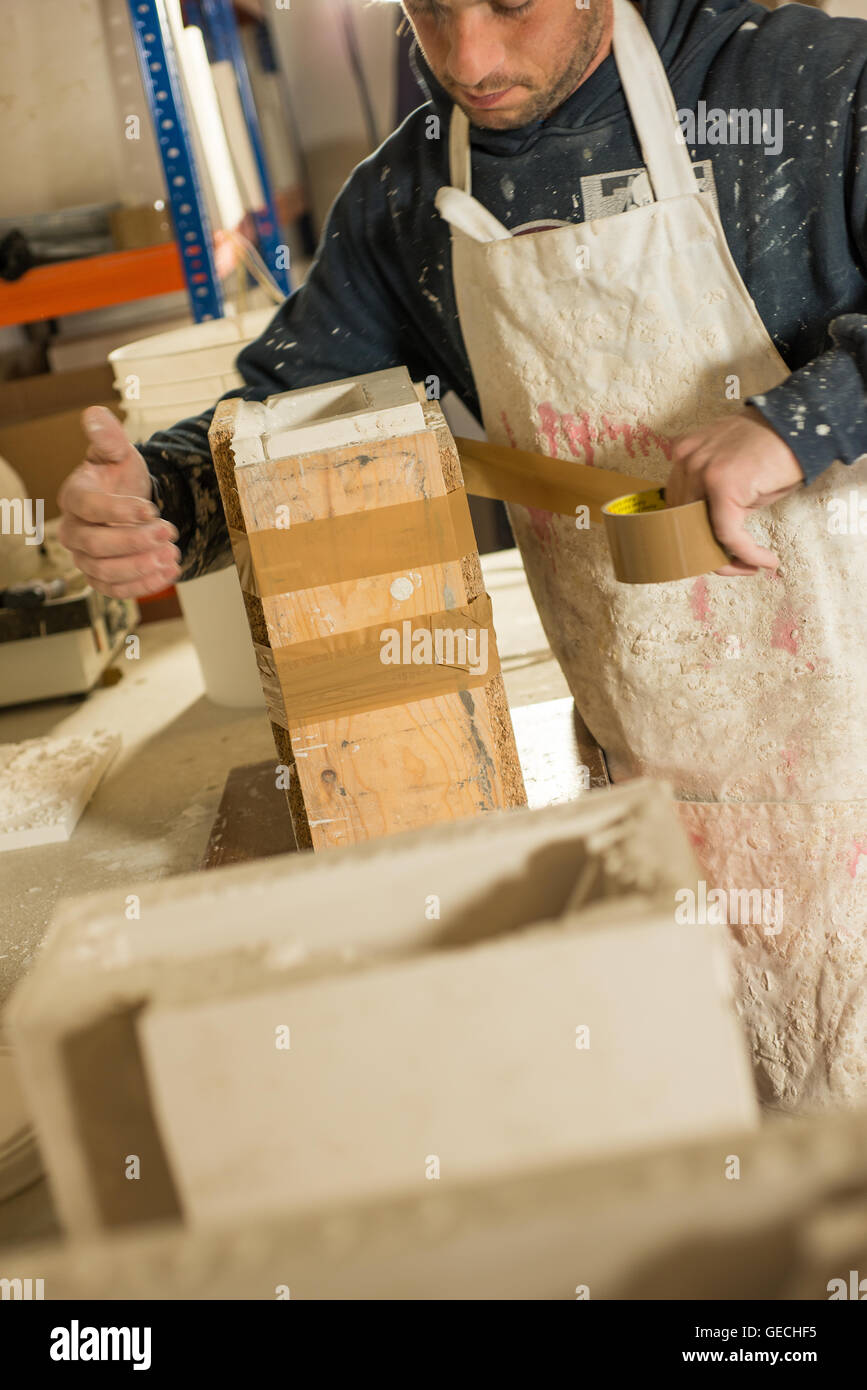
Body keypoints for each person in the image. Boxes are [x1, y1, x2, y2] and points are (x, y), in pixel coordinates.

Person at [58, 0, 867, 1107]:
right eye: (431, 11)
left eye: (511, 5)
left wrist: (801, 424)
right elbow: (286, 416)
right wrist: (158, 495)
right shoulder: (410, 200)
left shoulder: (808, 90)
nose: (473, 61)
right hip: (661, 792)